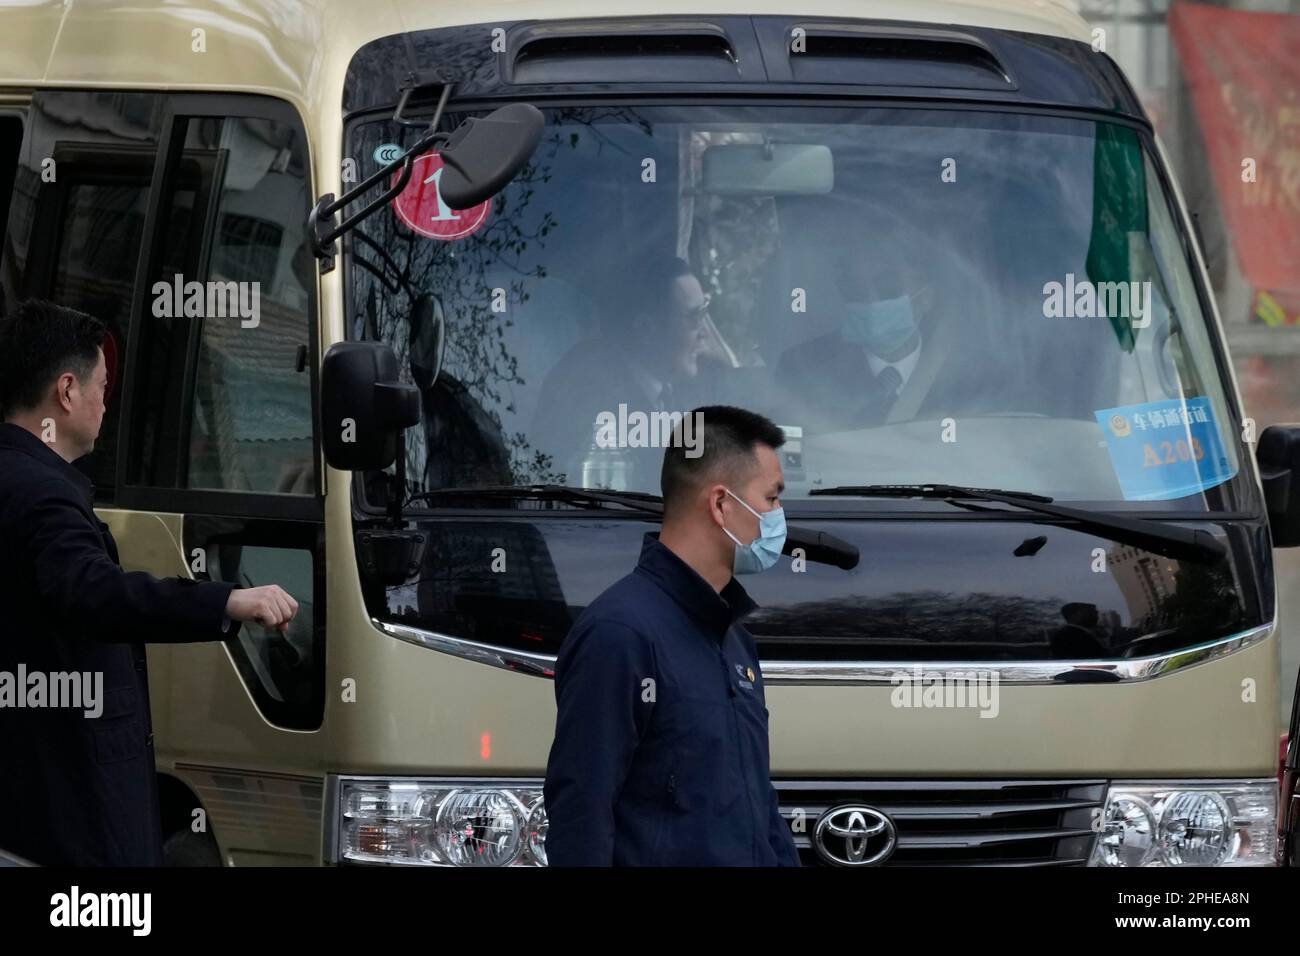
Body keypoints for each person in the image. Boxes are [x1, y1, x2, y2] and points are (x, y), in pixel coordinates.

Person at [0, 300, 299, 866]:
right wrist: (229, 599)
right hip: (66, 824)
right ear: (66, 392)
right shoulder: (44, 496)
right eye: (102, 385)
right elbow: (95, 592)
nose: (104, 402)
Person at [543, 405, 800, 866]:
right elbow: (582, 813)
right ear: (722, 505)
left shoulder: (735, 641)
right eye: (772, 497)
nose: (780, 516)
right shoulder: (619, 635)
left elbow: (760, 807)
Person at [529, 256, 727, 483]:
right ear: (646, 328)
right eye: (694, 318)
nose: (705, 333)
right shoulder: (583, 387)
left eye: (704, 313)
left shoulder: (686, 386)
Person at [776, 245, 962, 431]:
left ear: (927, 297)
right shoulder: (802, 370)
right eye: (857, 290)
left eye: (888, 287)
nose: (871, 302)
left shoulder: (966, 379)